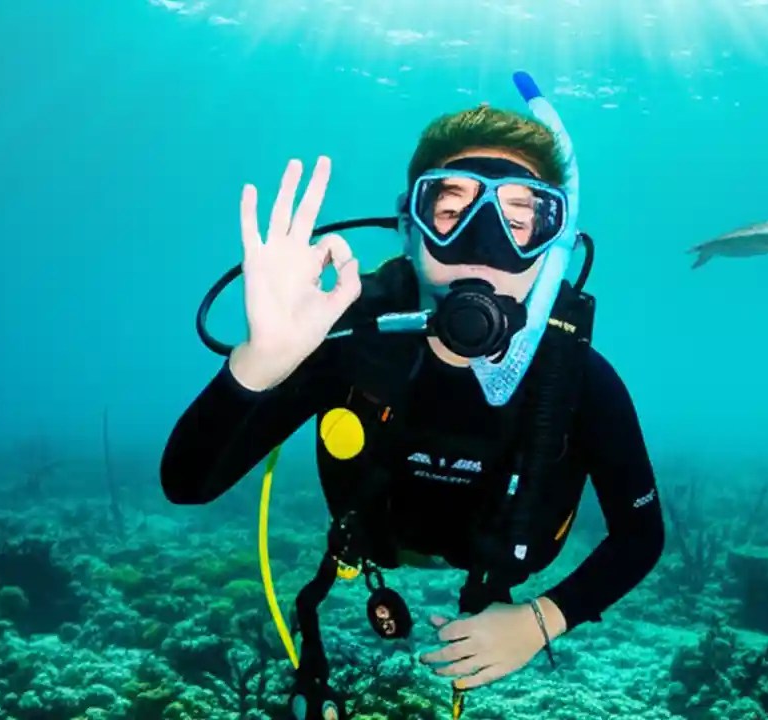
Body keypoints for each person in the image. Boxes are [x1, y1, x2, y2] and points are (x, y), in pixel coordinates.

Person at [160, 73, 664, 720]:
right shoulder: (347, 342)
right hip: (373, 544)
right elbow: (187, 483)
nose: (484, 248)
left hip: (509, 566)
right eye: (450, 212)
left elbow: (641, 534)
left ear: (553, 252)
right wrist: (257, 365)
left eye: (518, 221)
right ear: (409, 226)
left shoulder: (575, 378)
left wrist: (541, 620)